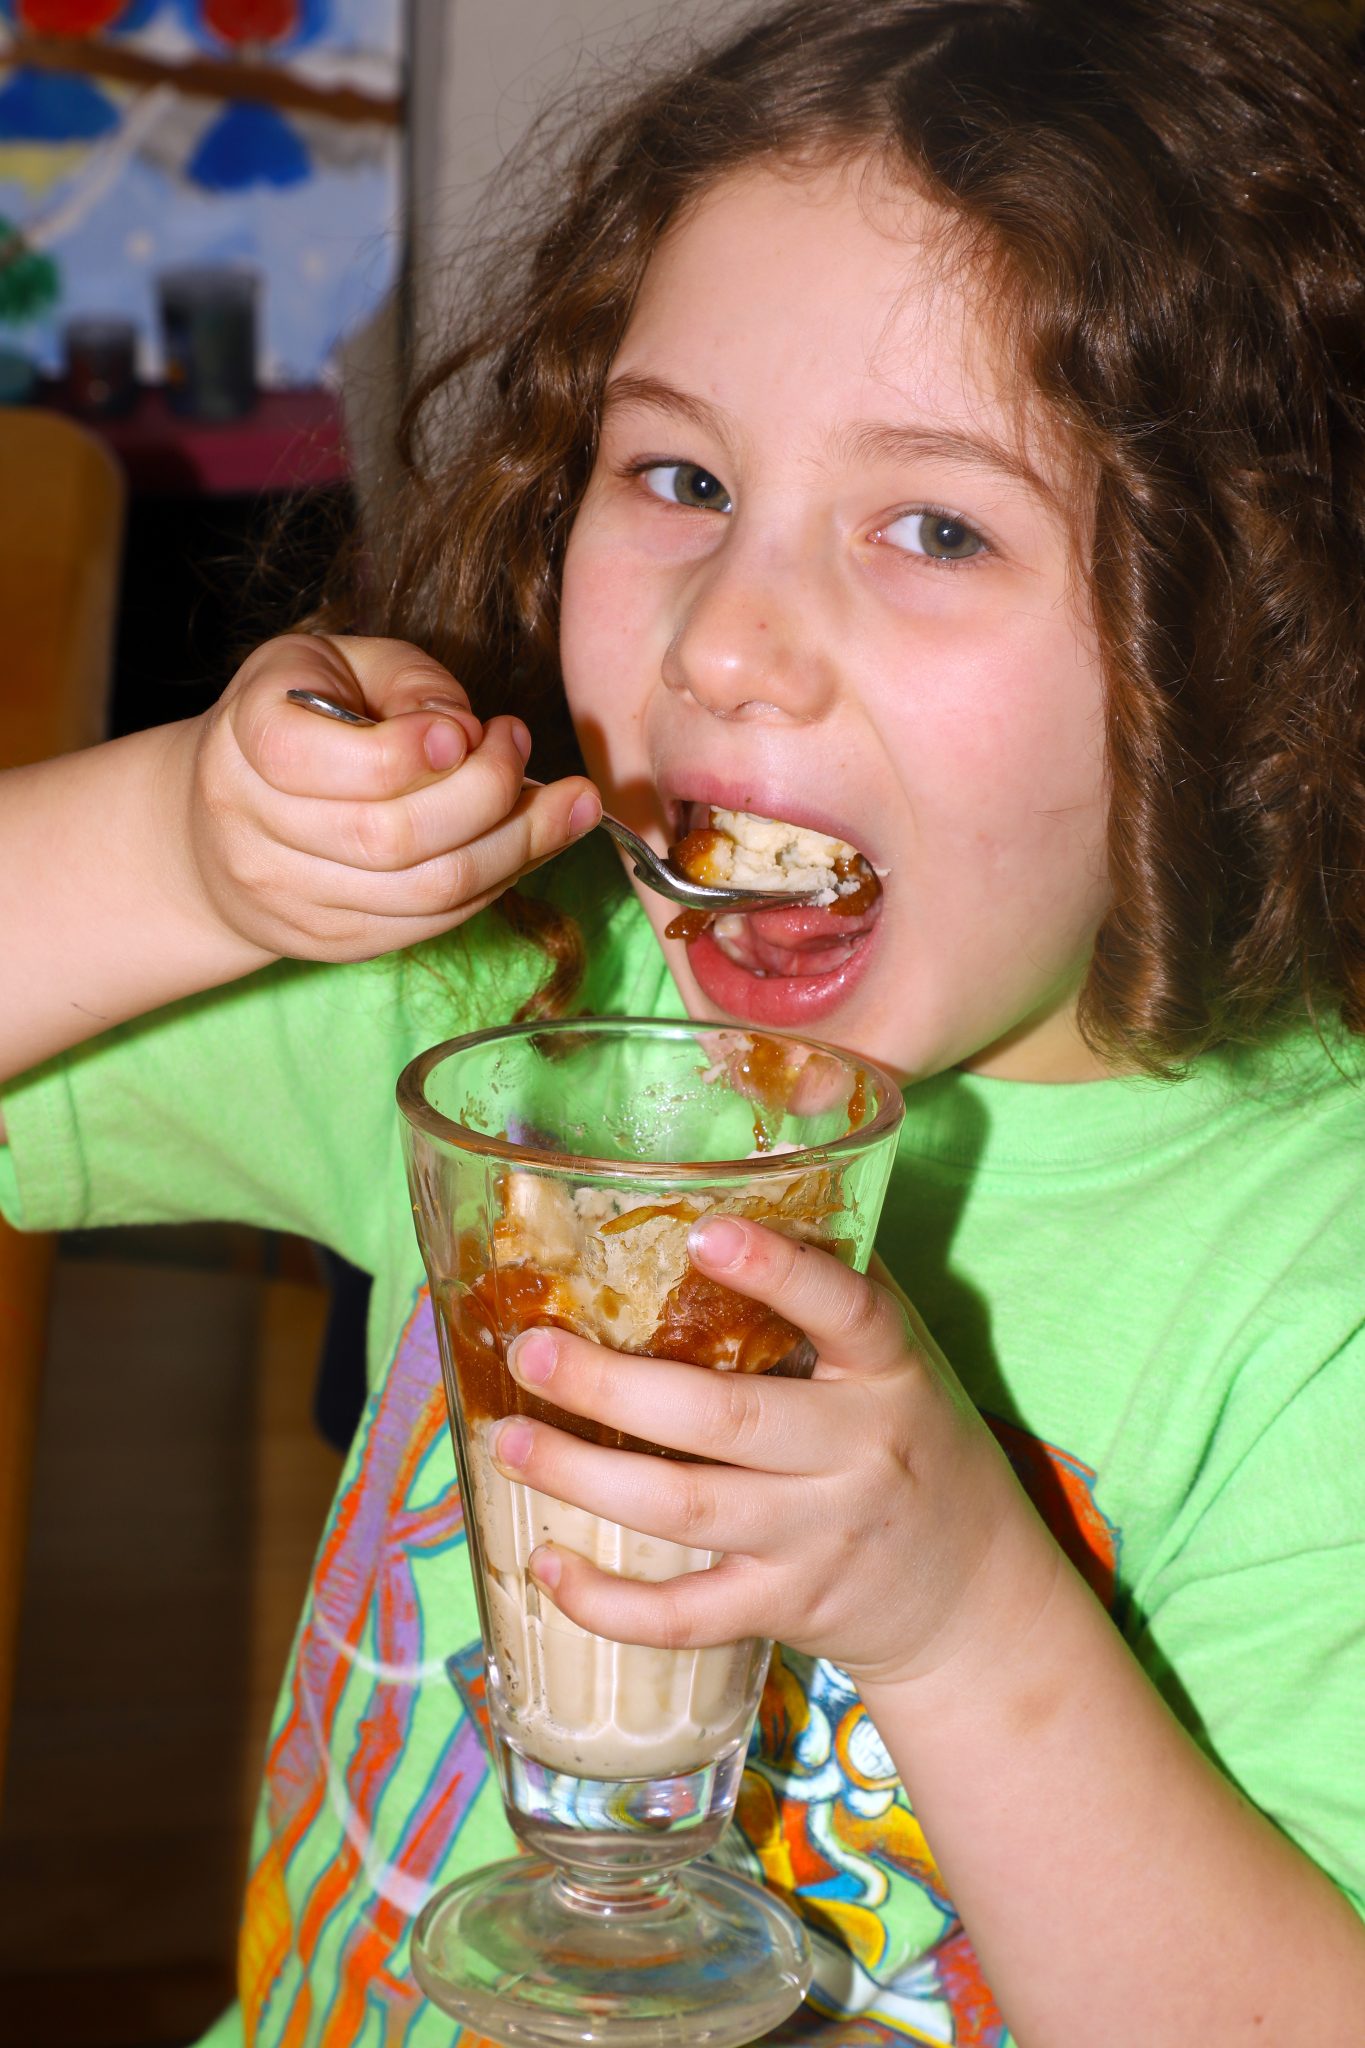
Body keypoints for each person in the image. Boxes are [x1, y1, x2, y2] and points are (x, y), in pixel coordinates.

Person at [3, 0, 1363, 2040]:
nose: (727, 638)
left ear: (1253, 624)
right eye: (675, 472)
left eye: (933, 526)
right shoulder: (527, 997)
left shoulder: (1307, 1279)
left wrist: (958, 1609)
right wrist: (184, 861)